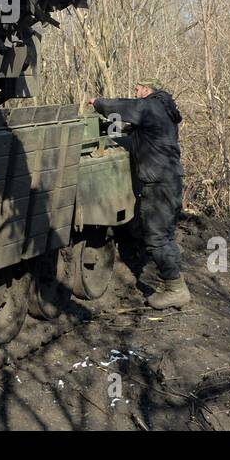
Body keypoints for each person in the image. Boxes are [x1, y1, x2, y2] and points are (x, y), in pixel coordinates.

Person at [88, 79, 191, 309]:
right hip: (170, 181)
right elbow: (140, 132)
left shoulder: (150, 106)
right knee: (165, 235)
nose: (135, 90)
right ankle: (175, 285)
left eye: (138, 87)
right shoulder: (163, 110)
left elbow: (127, 107)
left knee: (156, 238)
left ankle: (176, 289)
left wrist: (99, 103)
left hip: (159, 184)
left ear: (147, 89)